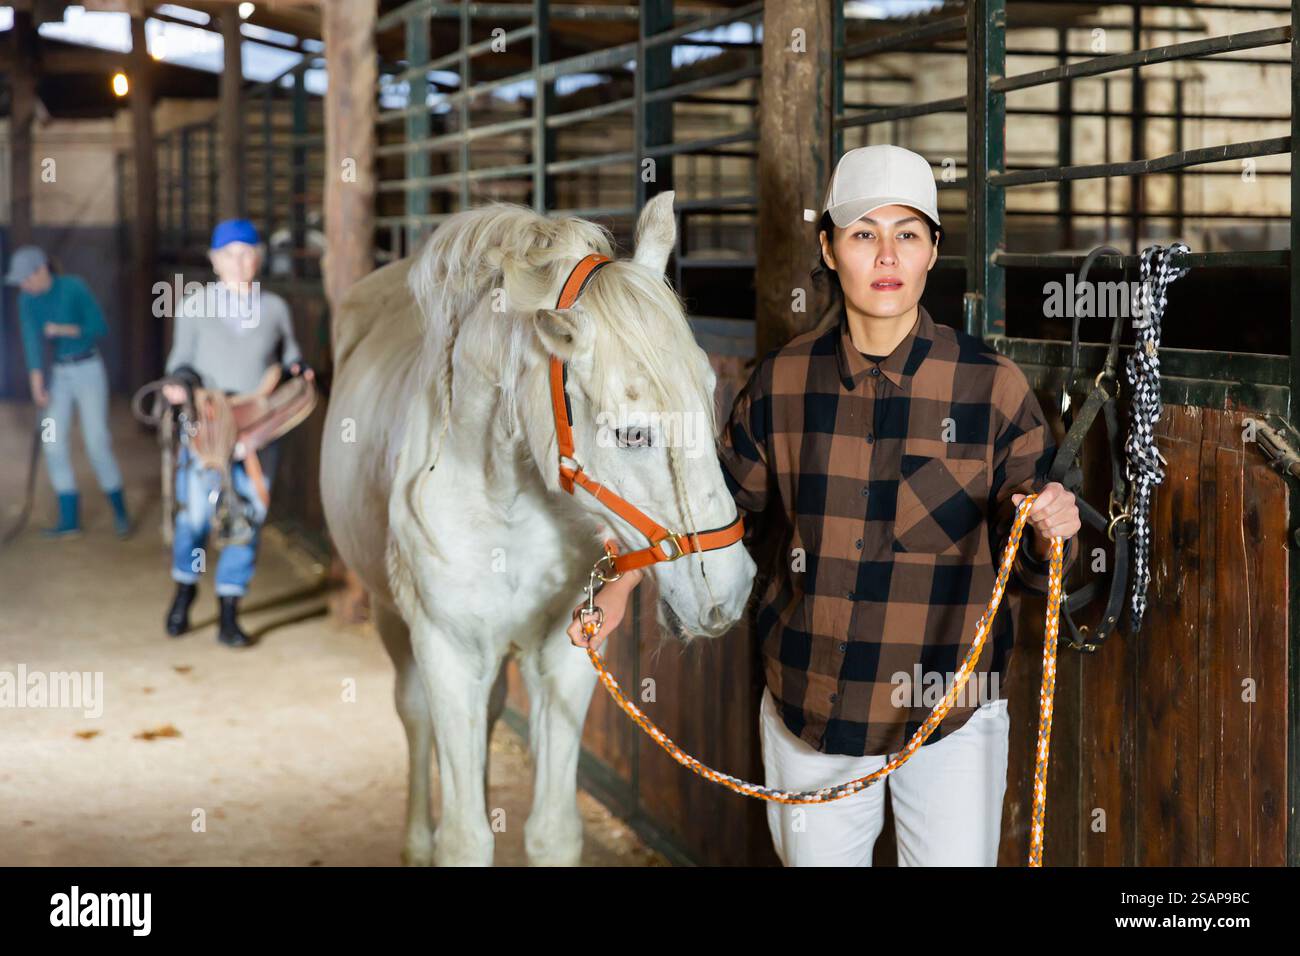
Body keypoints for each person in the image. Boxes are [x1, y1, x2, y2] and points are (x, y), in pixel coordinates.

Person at [567, 144, 1082, 866]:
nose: (886, 255)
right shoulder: (780, 384)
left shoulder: (991, 390)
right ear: (829, 248)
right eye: (863, 233)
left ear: (934, 251)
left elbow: (1031, 569)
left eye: (908, 234)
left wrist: (1051, 525)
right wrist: (619, 582)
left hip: (949, 722)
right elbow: (722, 518)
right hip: (810, 713)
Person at [160, 218, 314, 647]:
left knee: (246, 518)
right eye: (229, 254)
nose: (239, 261)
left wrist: (298, 368)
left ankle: (230, 609)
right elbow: (180, 359)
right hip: (208, 423)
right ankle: (185, 589)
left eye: (247, 253)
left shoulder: (275, 309)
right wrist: (180, 381)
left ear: (259, 258)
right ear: (214, 260)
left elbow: (290, 353)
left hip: (256, 428)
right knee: (193, 516)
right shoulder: (194, 306)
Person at [7, 245, 131, 538]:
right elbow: (30, 338)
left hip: (87, 370)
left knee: (96, 441)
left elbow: (98, 327)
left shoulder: (73, 287)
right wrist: (36, 381)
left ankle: (120, 512)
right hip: (55, 375)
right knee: (51, 440)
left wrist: (62, 330)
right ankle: (69, 520)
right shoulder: (27, 299)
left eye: (27, 278)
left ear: (41, 271)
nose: (23, 285)